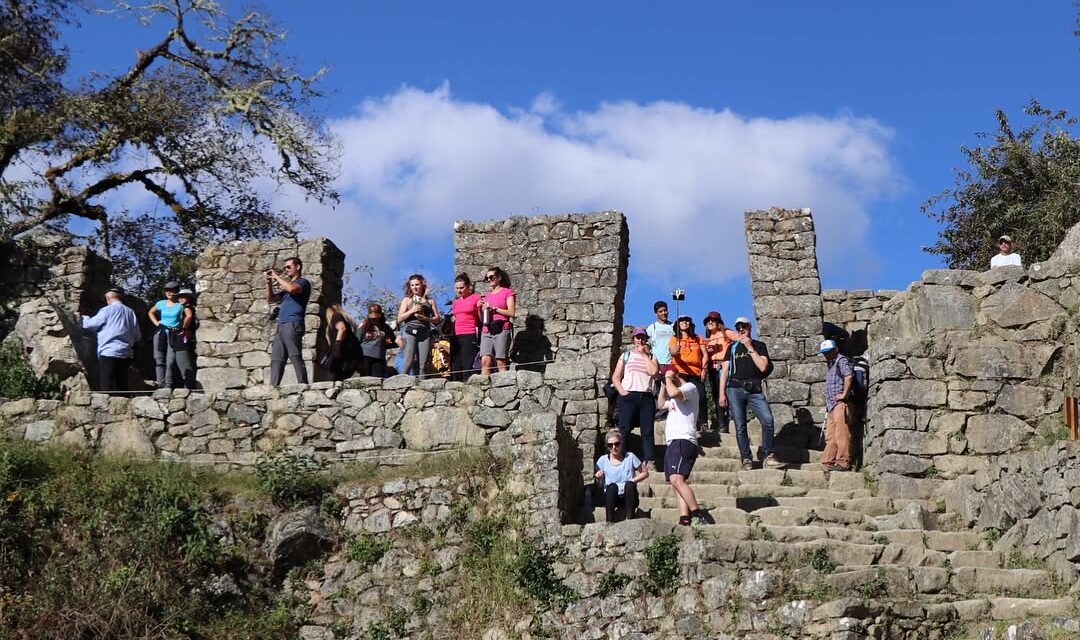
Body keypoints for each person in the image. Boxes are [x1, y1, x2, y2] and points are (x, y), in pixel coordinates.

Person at [720, 316, 785, 471]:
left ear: (750, 327)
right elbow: (725, 371)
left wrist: (750, 347)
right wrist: (721, 394)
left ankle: (768, 455)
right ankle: (746, 458)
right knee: (740, 425)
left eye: (744, 326)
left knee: (768, 420)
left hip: (754, 389)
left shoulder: (759, 346)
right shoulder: (732, 347)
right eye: (738, 327)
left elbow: (763, 367)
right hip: (735, 388)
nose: (741, 330)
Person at [661, 369, 709, 526]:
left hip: (683, 439)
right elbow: (661, 404)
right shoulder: (676, 396)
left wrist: (668, 378)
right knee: (675, 482)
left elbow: (674, 393)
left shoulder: (690, 388)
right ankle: (684, 517)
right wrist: (663, 385)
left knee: (677, 479)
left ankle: (697, 513)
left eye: (670, 375)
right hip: (673, 441)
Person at [611, 327, 660, 470]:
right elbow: (616, 376)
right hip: (629, 395)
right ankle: (622, 459)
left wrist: (645, 355)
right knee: (624, 428)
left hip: (646, 396)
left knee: (647, 430)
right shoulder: (626, 355)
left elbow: (653, 372)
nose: (640, 340)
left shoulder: (652, 357)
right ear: (633, 340)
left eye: (643, 337)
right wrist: (622, 392)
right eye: (638, 337)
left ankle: (649, 460)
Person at [81, 288, 141, 393]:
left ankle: (107, 407)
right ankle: (123, 407)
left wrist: (84, 318)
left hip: (108, 351)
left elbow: (90, 325)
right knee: (122, 385)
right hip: (125, 353)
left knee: (106, 385)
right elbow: (137, 335)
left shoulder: (107, 310)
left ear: (108, 298)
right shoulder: (130, 312)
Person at [266, 256, 311, 385]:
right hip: (282, 324)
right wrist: (268, 283)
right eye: (285, 267)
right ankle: (273, 387)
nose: (286, 270)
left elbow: (292, 289)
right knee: (277, 358)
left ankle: (303, 384)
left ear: (298, 267)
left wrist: (276, 277)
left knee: (294, 354)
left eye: (288, 267)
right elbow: (271, 299)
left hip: (293, 323)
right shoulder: (285, 290)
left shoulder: (303, 283)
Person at [594, 429, 648, 522]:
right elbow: (597, 479)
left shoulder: (630, 457)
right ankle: (609, 520)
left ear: (621, 444)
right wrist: (598, 476)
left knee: (629, 484)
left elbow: (645, 472)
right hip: (612, 496)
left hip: (628, 495)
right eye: (610, 445)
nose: (614, 447)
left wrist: (633, 480)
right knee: (611, 487)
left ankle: (630, 518)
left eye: (617, 444)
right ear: (607, 447)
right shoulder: (603, 460)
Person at [819, 339, 854, 472]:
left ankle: (843, 462)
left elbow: (848, 376)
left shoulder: (841, 361)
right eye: (824, 353)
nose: (825, 355)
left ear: (835, 350)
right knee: (831, 435)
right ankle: (828, 461)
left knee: (841, 433)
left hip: (840, 404)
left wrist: (844, 394)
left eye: (828, 352)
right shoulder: (832, 364)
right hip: (832, 406)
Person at [668, 315, 708, 429]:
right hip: (680, 372)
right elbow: (672, 350)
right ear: (678, 324)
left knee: (701, 397)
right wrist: (675, 350)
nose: (685, 322)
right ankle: (685, 423)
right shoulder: (674, 339)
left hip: (696, 372)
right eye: (681, 321)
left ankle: (703, 422)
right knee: (680, 397)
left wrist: (704, 369)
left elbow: (704, 355)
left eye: (687, 320)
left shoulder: (697, 338)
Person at [397, 274, 440, 377]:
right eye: (412, 285)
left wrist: (426, 319)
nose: (415, 287)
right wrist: (412, 310)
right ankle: (400, 384)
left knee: (423, 364)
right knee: (408, 361)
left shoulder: (430, 301)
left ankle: (422, 387)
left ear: (422, 285)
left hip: (424, 333)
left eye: (417, 285)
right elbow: (399, 319)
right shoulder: (407, 300)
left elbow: (437, 319)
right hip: (410, 332)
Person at [702, 311, 737, 433]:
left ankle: (725, 424)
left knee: (725, 395)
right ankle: (720, 423)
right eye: (708, 321)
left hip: (725, 368)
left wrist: (729, 359)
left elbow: (739, 342)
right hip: (712, 368)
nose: (710, 322)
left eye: (713, 320)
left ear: (719, 322)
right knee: (716, 395)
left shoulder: (727, 333)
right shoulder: (707, 338)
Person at [148, 281, 186, 388]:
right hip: (160, 333)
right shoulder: (161, 303)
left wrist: (181, 327)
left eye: (172, 290)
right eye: (167, 290)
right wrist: (157, 323)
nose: (169, 292)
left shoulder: (180, 305)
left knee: (170, 361)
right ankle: (161, 384)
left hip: (173, 334)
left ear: (176, 292)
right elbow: (151, 312)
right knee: (158, 359)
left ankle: (168, 385)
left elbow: (187, 317)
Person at [478, 266, 515, 375]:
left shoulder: (507, 292)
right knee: (485, 361)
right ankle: (483, 387)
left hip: (502, 328)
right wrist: (479, 309)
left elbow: (511, 313)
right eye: (487, 278)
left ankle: (504, 387)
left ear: (499, 277)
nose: (489, 280)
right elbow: (481, 319)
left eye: (491, 277)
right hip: (487, 329)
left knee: (500, 361)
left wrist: (495, 309)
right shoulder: (487, 296)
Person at [449, 273, 482, 381]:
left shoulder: (476, 298)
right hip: (455, 335)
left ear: (468, 287)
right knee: (456, 364)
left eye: (462, 288)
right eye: (457, 288)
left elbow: (480, 319)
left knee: (468, 362)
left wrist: (480, 309)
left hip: (469, 333)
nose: (459, 290)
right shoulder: (455, 302)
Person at [324, 303, 362, 381]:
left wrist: (337, 345)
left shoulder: (336, 316)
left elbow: (342, 328)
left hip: (343, 354)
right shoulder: (344, 319)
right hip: (353, 355)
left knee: (332, 379)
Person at [358, 303, 395, 378]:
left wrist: (388, 342)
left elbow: (393, 341)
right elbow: (357, 340)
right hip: (365, 356)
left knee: (377, 380)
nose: (374, 318)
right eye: (372, 315)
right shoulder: (364, 325)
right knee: (365, 379)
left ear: (380, 315)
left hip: (379, 357)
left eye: (376, 315)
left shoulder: (385, 327)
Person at [172, 288, 198, 389]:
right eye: (180, 297)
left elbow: (189, 316)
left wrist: (183, 328)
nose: (181, 298)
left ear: (189, 298)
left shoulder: (187, 307)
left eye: (184, 296)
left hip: (183, 339)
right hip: (187, 338)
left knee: (184, 364)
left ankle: (189, 388)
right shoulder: (189, 307)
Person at [646, 301, 675, 371]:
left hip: (671, 363)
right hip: (656, 363)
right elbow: (646, 345)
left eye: (665, 310)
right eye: (660, 311)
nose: (663, 313)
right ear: (656, 314)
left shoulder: (674, 326)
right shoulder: (652, 327)